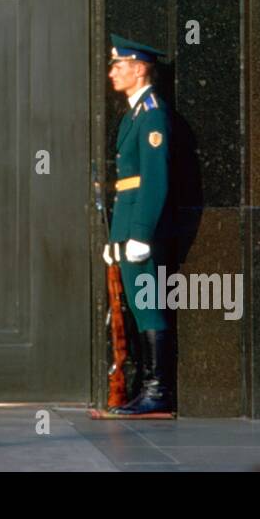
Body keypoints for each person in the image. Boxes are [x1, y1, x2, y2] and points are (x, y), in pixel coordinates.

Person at [103, 34, 174, 417]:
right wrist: (116, 237)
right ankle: (146, 389)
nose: (112, 71)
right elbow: (126, 185)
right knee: (136, 306)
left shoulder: (152, 113)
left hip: (140, 231)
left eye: (119, 65)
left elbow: (155, 181)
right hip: (127, 229)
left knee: (148, 308)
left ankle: (158, 391)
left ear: (140, 68)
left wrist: (140, 235)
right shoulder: (133, 113)